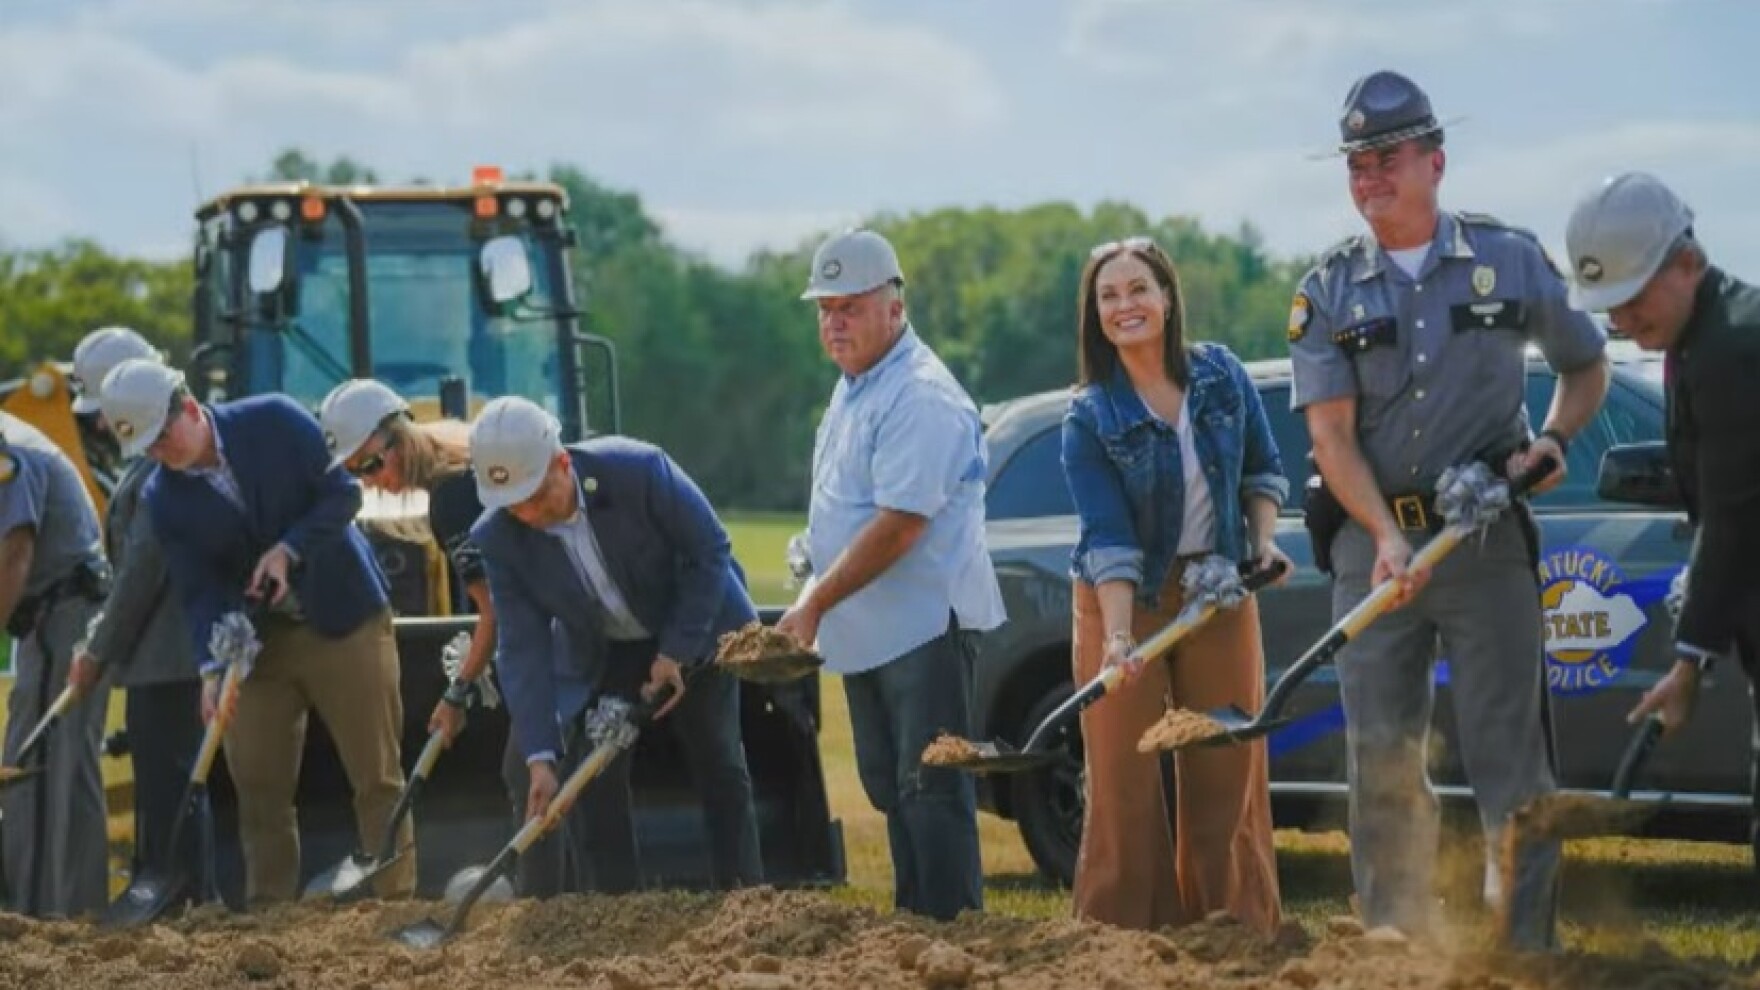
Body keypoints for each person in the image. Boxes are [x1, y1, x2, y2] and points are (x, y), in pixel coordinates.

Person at [1286, 70, 1608, 950]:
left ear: (1435, 160)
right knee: (1383, 762)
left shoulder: (1508, 259)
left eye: (1385, 158)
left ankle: (1526, 950)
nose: (1368, 178)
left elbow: (1586, 364)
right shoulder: (1328, 290)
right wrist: (1386, 534)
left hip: (1486, 539)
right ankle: (1398, 947)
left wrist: (1553, 440)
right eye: (1355, 164)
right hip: (1371, 547)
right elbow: (1331, 439)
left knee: (1511, 760)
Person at [97, 358, 413, 905]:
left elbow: (344, 495)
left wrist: (289, 549)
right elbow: (199, 593)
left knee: (376, 776)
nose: (157, 453)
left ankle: (396, 902)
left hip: (343, 618)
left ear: (191, 409)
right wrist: (210, 668)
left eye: (162, 436)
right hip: (258, 646)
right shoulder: (163, 501)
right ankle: (270, 923)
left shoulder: (276, 420)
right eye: (146, 447)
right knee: (259, 793)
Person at [1061, 235, 1291, 935]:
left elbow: (1262, 468)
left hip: (1219, 591)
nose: (1124, 305)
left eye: (1138, 289)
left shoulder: (1221, 376)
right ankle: (1119, 943)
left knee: (1227, 767)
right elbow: (1109, 538)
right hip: (1118, 602)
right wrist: (1121, 640)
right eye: (1108, 295)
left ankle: (1234, 932)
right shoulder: (1090, 415)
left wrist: (1261, 543)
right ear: (1094, 314)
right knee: (1124, 781)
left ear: (1167, 298)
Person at [776, 229, 1005, 921]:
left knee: (930, 789)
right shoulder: (856, 388)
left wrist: (813, 602)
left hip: (923, 624)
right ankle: (915, 928)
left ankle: (953, 933)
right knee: (889, 786)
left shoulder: (920, 394)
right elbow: (850, 505)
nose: (834, 322)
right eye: (825, 309)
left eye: (850, 305)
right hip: (869, 627)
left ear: (894, 306)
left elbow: (901, 525)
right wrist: (812, 558)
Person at [469, 396, 764, 892]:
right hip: (605, 645)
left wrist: (675, 652)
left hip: (695, 619)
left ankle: (743, 896)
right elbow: (523, 646)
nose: (530, 515)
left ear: (563, 462)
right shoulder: (499, 539)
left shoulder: (639, 470)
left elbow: (710, 552)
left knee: (718, 761)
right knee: (594, 773)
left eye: (538, 497)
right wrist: (539, 755)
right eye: (513, 507)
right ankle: (615, 907)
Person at [1564, 173, 1760, 862]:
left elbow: (1734, 514)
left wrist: (1689, 657)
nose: (1621, 321)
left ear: (1686, 261)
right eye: (1609, 306)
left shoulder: (1732, 347)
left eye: (1632, 299)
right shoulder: (1700, 337)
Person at [63, 328, 210, 902]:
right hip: (160, 656)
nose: (100, 425)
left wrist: (98, 650)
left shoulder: (159, 472)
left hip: (168, 657)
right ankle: (167, 882)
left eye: (105, 411)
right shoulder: (150, 465)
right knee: (161, 782)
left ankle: (183, 892)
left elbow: (140, 574)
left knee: (174, 785)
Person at [0, 411, 111, 917]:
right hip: (48, 618)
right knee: (44, 769)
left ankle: (48, 922)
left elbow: (14, 552)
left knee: (42, 769)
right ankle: (53, 913)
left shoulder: (10, 452)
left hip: (62, 616)